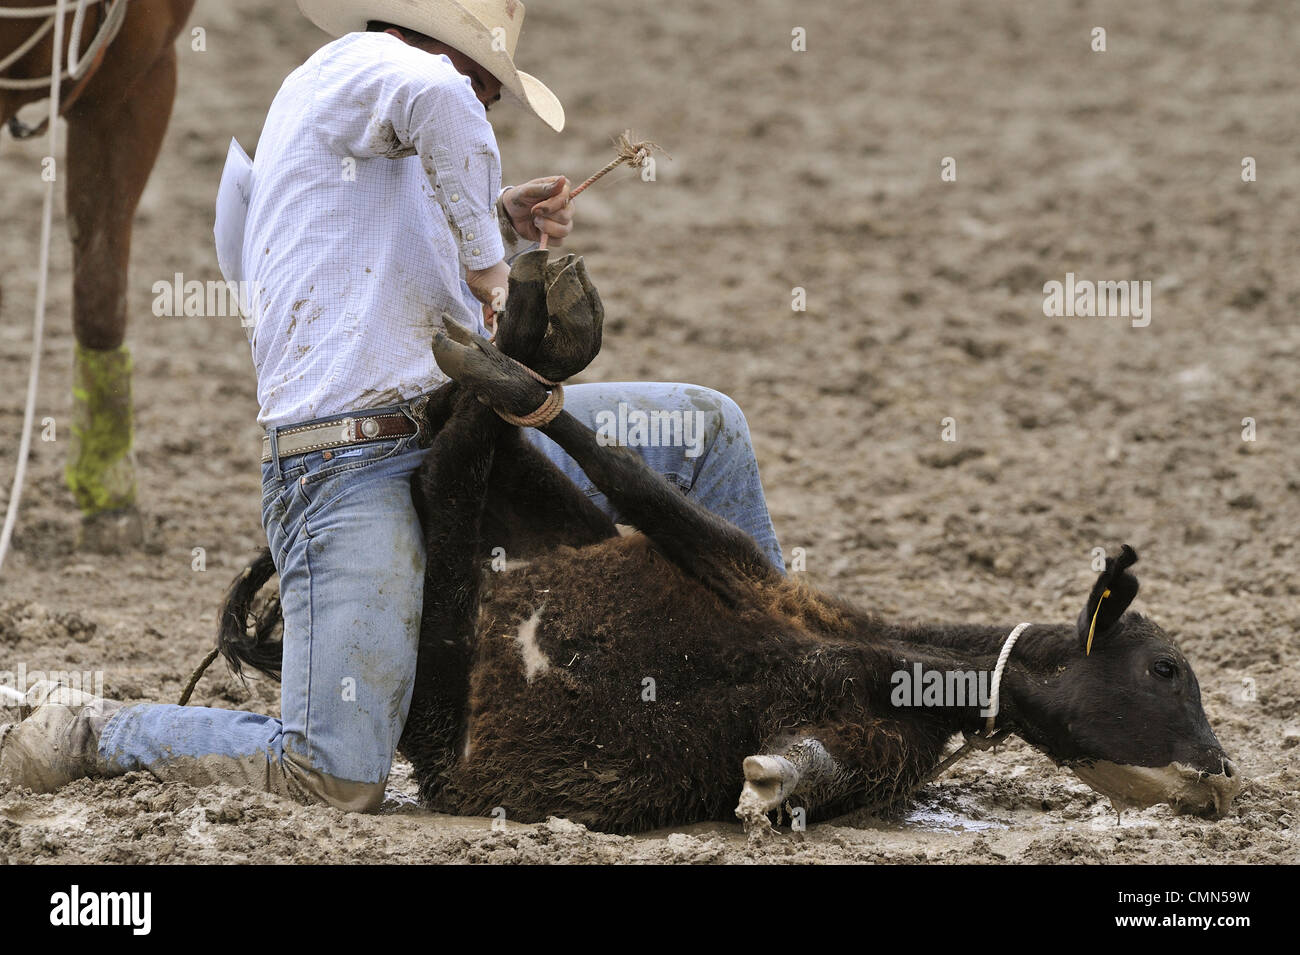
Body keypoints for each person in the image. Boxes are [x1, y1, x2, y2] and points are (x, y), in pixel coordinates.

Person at [0, 0, 783, 811]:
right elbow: (439, 101)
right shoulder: (378, 72)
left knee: (706, 428)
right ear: (453, 53)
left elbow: (385, 242)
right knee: (334, 772)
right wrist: (490, 265)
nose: (483, 105)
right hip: (348, 464)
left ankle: (782, 666)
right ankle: (96, 732)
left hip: (448, 439)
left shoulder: (365, 102)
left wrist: (491, 219)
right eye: (488, 88)